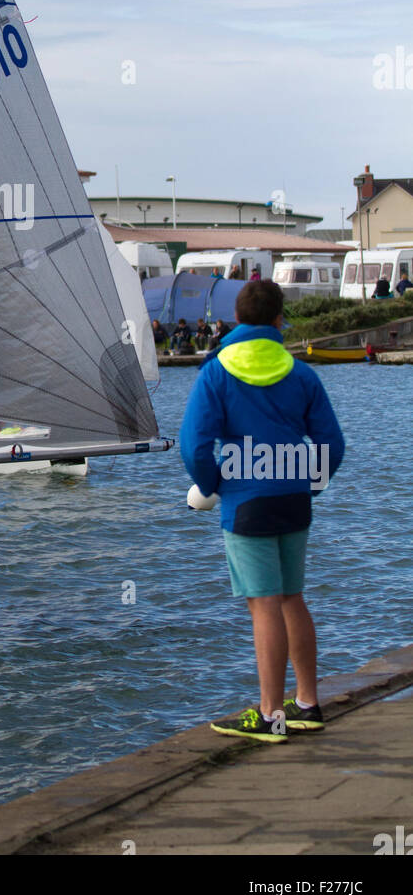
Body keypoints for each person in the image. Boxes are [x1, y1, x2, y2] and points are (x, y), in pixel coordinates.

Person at [180, 280, 345, 744]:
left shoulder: (216, 372)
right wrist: (310, 483)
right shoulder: (301, 373)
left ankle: (270, 714)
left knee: (264, 604)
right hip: (293, 498)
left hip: (245, 500)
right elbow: (333, 443)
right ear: (278, 321)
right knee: (292, 595)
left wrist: (213, 485)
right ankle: (307, 704)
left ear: (237, 319)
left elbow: (195, 445)